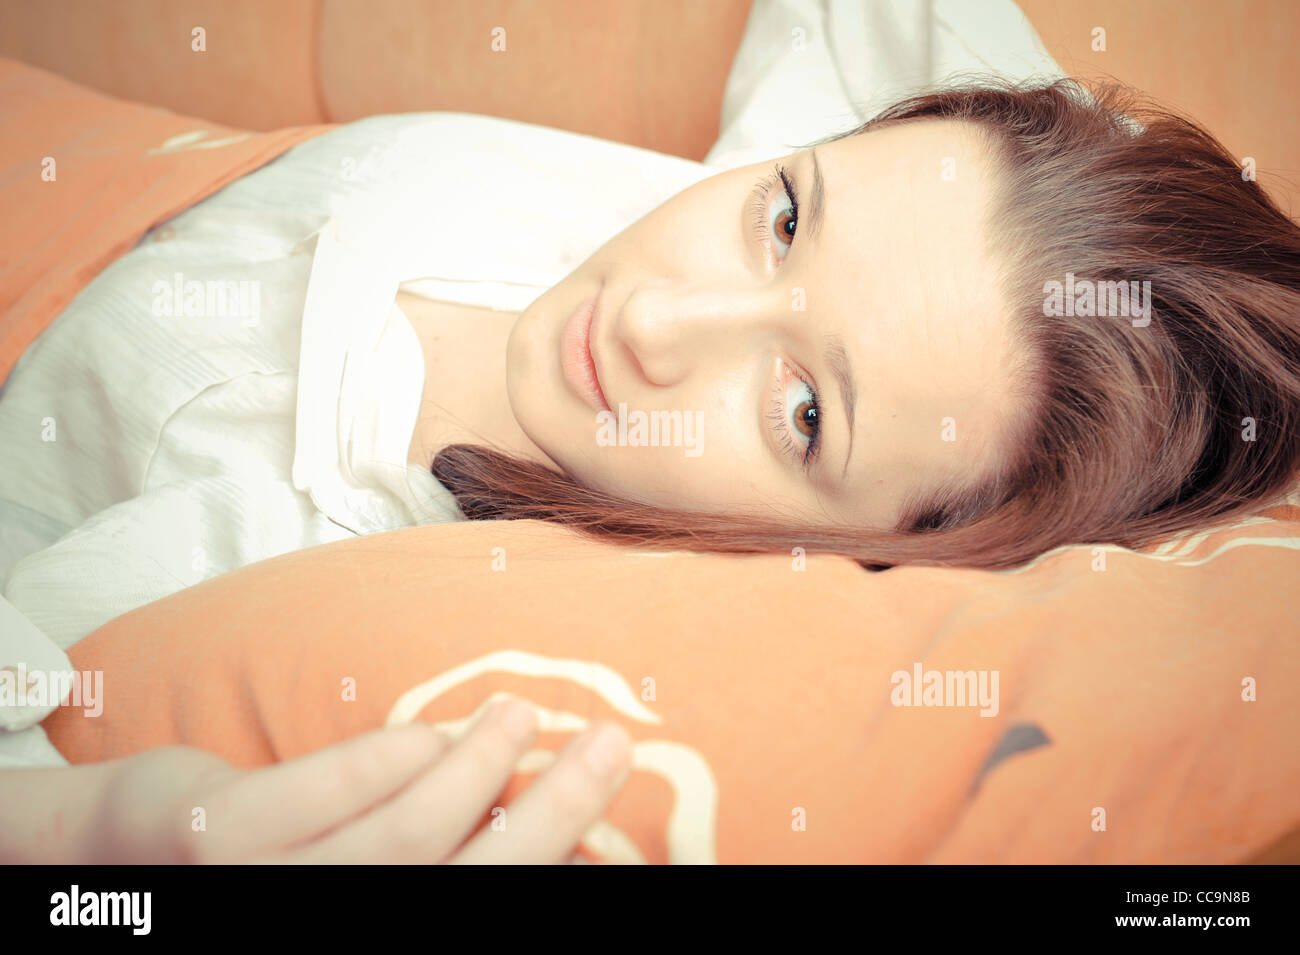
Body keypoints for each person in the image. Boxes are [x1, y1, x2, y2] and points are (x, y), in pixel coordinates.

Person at [2, 79, 1298, 862]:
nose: (652, 326)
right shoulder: (748, 176)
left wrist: (100, 843)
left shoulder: (312, 548)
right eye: (785, 218)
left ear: (872, 548)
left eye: (801, 413)